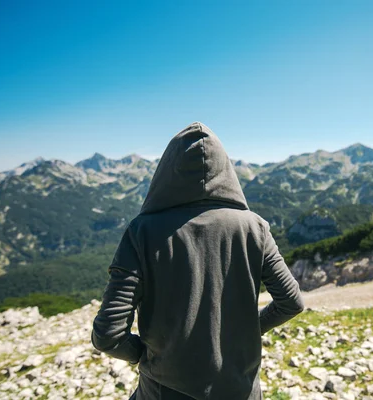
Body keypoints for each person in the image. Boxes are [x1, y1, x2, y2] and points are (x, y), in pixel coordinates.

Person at [91, 122, 305, 400]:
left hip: (163, 391)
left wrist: (147, 355)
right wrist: (247, 332)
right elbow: (292, 302)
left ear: (166, 170)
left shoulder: (140, 232)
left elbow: (107, 335)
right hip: (242, 391)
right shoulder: (255, 228)